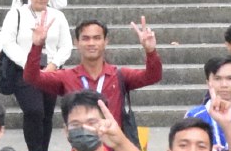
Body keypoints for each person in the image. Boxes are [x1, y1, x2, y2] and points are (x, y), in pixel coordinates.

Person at [28, 13, 161, 131]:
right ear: (76, 43)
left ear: (105, 42)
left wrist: (151, 51)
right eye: (85, 38)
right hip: (81, 146)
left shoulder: (119, 75)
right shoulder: (67, 77)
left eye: (97, 38)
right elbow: (32, 78)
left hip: (114, 147)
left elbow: (153, 76)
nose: (91, 43)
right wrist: (37, 46)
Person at [0, 0, 74, 151]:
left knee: (46, 113)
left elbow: (66, 45)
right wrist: (29, 64)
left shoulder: (58, 16)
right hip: (24, 72)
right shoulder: (17, 14)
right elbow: (8, 42)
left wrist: (53, 64)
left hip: (51, 71)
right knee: (34, 110)